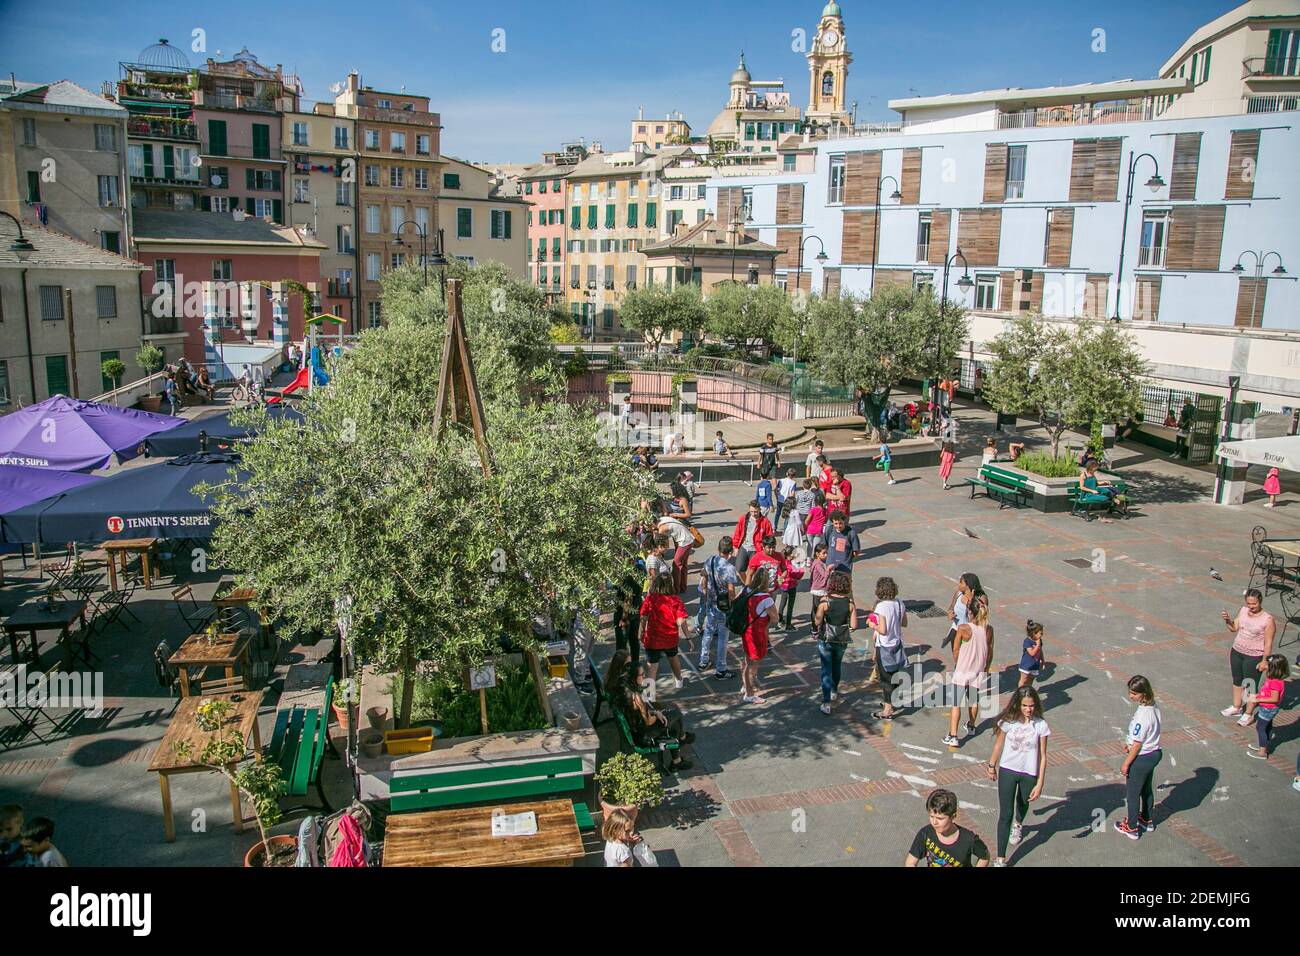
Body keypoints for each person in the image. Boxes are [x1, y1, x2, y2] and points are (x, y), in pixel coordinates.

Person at [985, 686, 1049, 865]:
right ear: (1018, 705)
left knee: (1022, 804)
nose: (1029, 709)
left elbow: (1043, 756)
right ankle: (1001, 858)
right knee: (1005, 813)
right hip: (1008, 770)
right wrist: (991, 765)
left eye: (1032, 705)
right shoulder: (1009, 721)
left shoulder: (1041, 725)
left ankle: (1019, 824)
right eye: (1025, 705)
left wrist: (1040, 783)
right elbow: (999, 744)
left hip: (1029, 773)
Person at [605, 651, 694, 771]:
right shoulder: (635, 697)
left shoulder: (622, 688)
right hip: (643, 735)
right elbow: (648, 721)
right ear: (633, 677)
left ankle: (677, 758)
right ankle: (678, 752)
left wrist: (655, 713)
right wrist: (657, 714)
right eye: (641, 675)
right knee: (675, 714)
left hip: (634, 729)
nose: (644, 676)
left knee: (672, 721)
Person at [1115, 675, 1161, 840]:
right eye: (1130, 692)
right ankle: (1146, 819)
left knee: (1133, 793)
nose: (1131, 696)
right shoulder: (1153, 706)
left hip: (1141, 757)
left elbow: (1138, 744)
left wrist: (1126, 764)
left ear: (1143, 693)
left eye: (1134, 693)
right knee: (1146, 788)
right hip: (1154, 753)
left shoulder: (1143, 716)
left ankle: (1131, 827)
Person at [945, 592, 993, 747]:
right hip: (978, 669)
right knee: (973, 700)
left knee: (956, 703)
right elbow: (990, 651)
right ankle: (971, 725)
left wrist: (958, 663)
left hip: (963, 669)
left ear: (969, 612)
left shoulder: (964, 628)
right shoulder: (988, 630)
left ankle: (953, 735)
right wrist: (986, 667)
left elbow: (956, 649)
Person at [1220, 589, 1275, 726]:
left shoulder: (1267, 620)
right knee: (1237, 680)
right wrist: (1227, 620)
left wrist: (1264, 660)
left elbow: (1268, 643)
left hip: (1254, 655)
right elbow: (1234, 628)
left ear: (1260, 601)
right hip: (1237, 650)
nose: (1251, 606)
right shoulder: (1243, 611)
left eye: (1254, 604)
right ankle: (1236, 706)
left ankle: (1248, 713)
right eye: (1249, 603)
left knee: (1250, 684)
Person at [905, 789, 990, 867]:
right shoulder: (925, 834)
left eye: (940, 818)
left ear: (953, 817)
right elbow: (910, 862)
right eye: (931, 816)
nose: (934, 822)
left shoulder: (969, 839)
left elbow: (984, 856)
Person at [638, 573, 691, 693]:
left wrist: (641, 632)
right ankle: (679, 681)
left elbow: (643, 617)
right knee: (673, 658)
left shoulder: (650, 599)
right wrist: (688, 637)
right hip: (670, 638)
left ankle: (649, 696)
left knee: (652, 667)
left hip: (653, 638)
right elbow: (681, 621)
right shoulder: (676, 600)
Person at [814, 570, 857, 714]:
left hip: (826, 638)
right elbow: (854, 625)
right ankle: (834, 690)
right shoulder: (850, 603)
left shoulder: (825, 602)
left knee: (826, 669)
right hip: (842, 638)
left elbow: (817, 620)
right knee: (837, 665)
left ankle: (826, 702)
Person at [698, 538, 740, 680]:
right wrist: (733, 605)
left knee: (708, 631)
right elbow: (731, 590)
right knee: (723, 636)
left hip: (711, 601)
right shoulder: (729, 568)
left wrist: (705, 592)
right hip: (723, 606)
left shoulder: (710, 560)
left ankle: (703, 661)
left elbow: (703, 577)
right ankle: (720, 668)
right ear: (731, 552)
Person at [869, 576, 909, 720]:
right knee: (895, 675)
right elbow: (904, 623)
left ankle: (888, 709)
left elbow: (883, 629)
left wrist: (872, 625)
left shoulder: (881, 606)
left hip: (884, 646)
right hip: (897, 644)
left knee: (885, 678)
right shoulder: (899, 603)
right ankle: (892, 700)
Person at [740, 566, 778, 704]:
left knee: (747, 660)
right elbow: (775, 619)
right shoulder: (766, 599)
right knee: (752, 665)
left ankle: (745, 686)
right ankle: (750, 694)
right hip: (757, 634)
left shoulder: (746, 591)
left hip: (746, 631)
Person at [1246, 654, 1289, 760]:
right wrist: (1257, 695)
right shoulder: (1274, 679)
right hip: (1267, 708)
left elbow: (1274, 698)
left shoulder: (1275, 682)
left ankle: (1262, 751)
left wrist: (1258, 699)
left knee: (1260, 728)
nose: (1265, 666)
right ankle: (1264, 744)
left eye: (1268, 665)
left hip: (1268, 709)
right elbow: (1267, 694)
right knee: (1267, 726)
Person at [613, 548, 647, 670]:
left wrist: (623, 618)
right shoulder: (641, 569)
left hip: (625, 612)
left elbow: (627, 598)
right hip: (637, 609)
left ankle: (620, 668)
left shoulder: (627, 575)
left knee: (622, 644)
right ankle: (635, 664)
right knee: (634, 640)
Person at [657, 509, 696, 595]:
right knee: (683, 564)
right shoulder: (663, 519)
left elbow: (663, 544)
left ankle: (675, 589)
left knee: (676, 565)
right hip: (688, 539)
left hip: (684, 542)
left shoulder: (661, 528)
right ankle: (683, 587)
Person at [730, 499, 773, 576]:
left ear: (760, 509)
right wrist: (735, 547)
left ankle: (752, 586)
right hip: (744, 547)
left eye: (755, 511)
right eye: (751, 511)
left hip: (756, 550)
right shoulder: (744, 518)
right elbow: (738, 532)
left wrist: (766, 551)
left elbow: (769, 537)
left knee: (754, 572)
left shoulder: (765, 522)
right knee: (739, 570)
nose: (753, 514)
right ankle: (747, 585)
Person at [944, 573, 981, 650]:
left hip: (969, 633)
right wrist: (950, 613)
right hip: (956, 630)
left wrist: (971, 602)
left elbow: (980, 617)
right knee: (957, 657)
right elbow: (951, 606)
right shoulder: (958, 593)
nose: (959, 584)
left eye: (961, 582)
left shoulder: (977, 600)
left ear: (968, 586)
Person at [775, 546, 804, 632]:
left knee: (782, 604)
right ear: (790, 555)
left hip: (784, 586)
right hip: (791, 586)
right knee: (790, 606)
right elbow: (797, 574)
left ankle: (779, 621)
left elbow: (780, 575)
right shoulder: (791, 565)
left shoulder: (782, 563)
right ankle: (788, 624)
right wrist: (801, 569)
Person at [807, 543, 830, 626]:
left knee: (816, 609)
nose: (826, 555)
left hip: (818, 589)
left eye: (826, 553)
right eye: (824, 553)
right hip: (819, 590)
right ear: (817, 554)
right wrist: (828, 569)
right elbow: (824, 575)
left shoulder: (817, 562)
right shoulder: (818, 564)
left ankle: (817, 627)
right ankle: (816, 627)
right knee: (818, 610)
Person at [1019, 620, 1045, 687]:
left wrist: (1043, 661)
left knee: (1031, 680)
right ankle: (1019, 693)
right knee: (1024, 680)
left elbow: (1040, 651)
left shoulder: (1039, 640)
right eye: (1040, 633)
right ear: (1034, 633)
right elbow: (1032, 653)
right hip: (1026, 665)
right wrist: (1037, 645)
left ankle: (1028, 691)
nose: (1042, 635)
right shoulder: (1027, 641)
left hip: (1035, 665)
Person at [805, 492, 828, 558]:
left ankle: (809, 559)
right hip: (819, 530)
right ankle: (814, 558)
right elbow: (825, 520)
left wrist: (806, 526)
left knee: (810, 545)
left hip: (810, 529)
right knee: (816, 547)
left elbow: (807, 520)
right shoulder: (825, 511)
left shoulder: (813, 509)